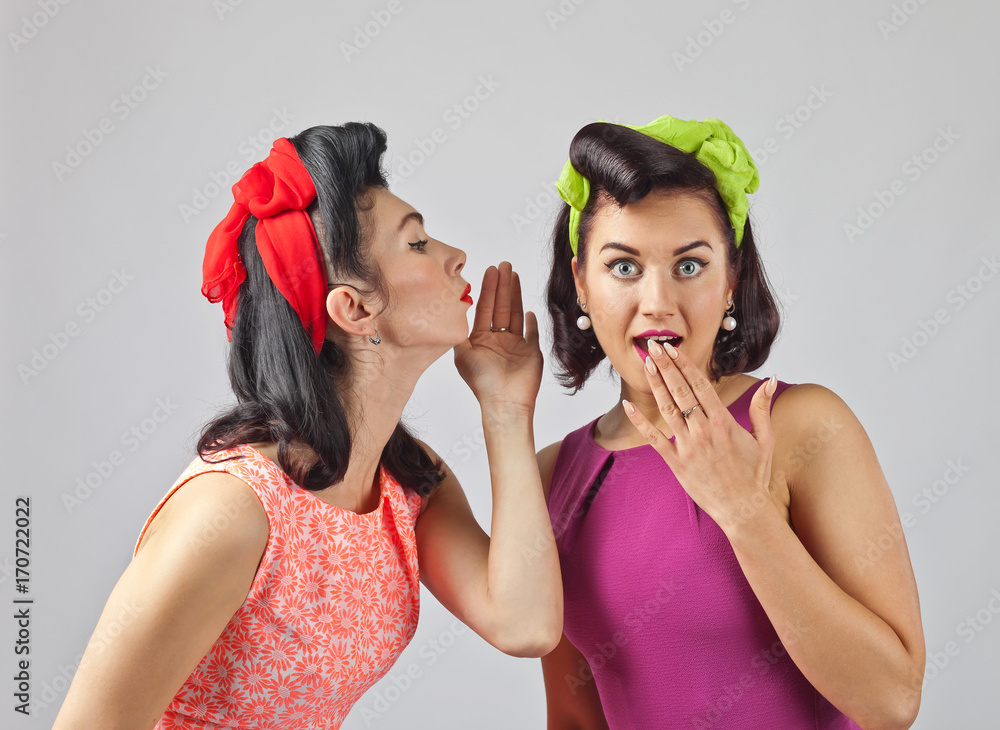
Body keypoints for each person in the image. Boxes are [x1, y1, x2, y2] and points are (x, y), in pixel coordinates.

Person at [53, 122, 562, 729]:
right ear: (354, 308)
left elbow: (525, 624)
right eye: (418, 244)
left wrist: (505, 409)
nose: (457, 256)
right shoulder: (232, 509)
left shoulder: (406, 480)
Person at [537, 115, 925, 729]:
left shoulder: (803, 426)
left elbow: (892, 701)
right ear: (581, 283)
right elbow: (575, 714)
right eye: (623, 267)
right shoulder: (556, 475)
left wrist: (746, 512)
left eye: (689, 266)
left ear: (730, 282)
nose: (658, 301)